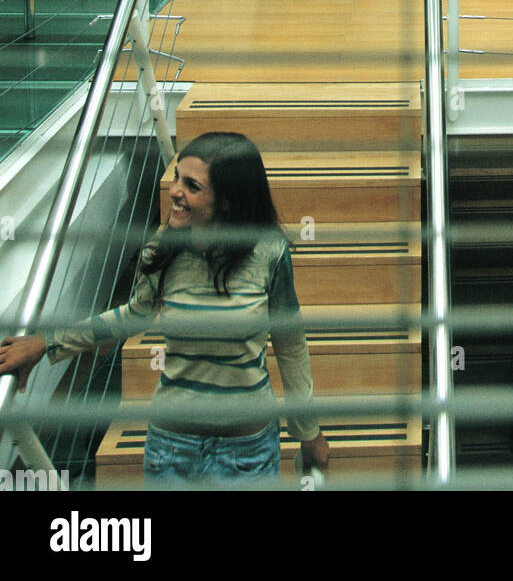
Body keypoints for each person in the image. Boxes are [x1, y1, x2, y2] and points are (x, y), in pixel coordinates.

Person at [0, 132, 331, 484]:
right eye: (176, 177)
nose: (174, 191)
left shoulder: (269, 253)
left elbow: (290, 343)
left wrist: (308, 432)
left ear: (228, 202)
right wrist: (46, 343)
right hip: (172, 448)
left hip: (247, 451)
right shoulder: (165, 244)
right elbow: (132, 314)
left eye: (192, 186)